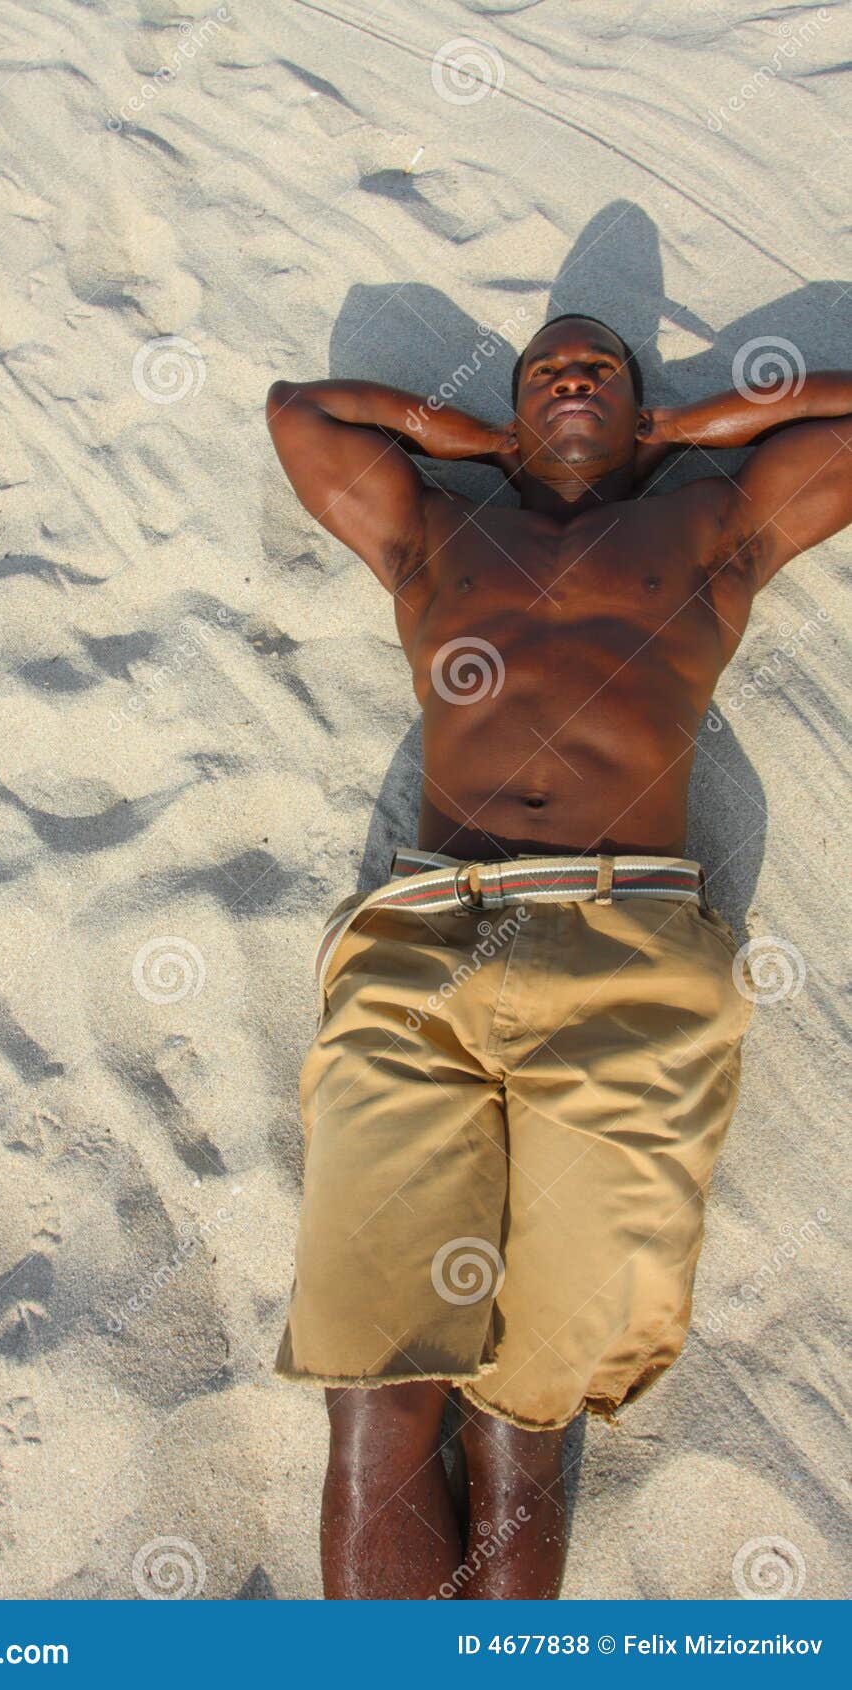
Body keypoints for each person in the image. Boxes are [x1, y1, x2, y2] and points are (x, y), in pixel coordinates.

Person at [265, 314, 851, 1600]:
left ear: (641, 413)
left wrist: (706, 427)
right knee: (378, 1385)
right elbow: (298, 415)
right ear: (513, 411)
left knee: (529, 1415)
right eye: (543, 370)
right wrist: (459, 434)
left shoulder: (710, 527)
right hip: (430, 939)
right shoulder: (436, 532)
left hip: (628, 954)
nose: (571, 371)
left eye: (598, 366)